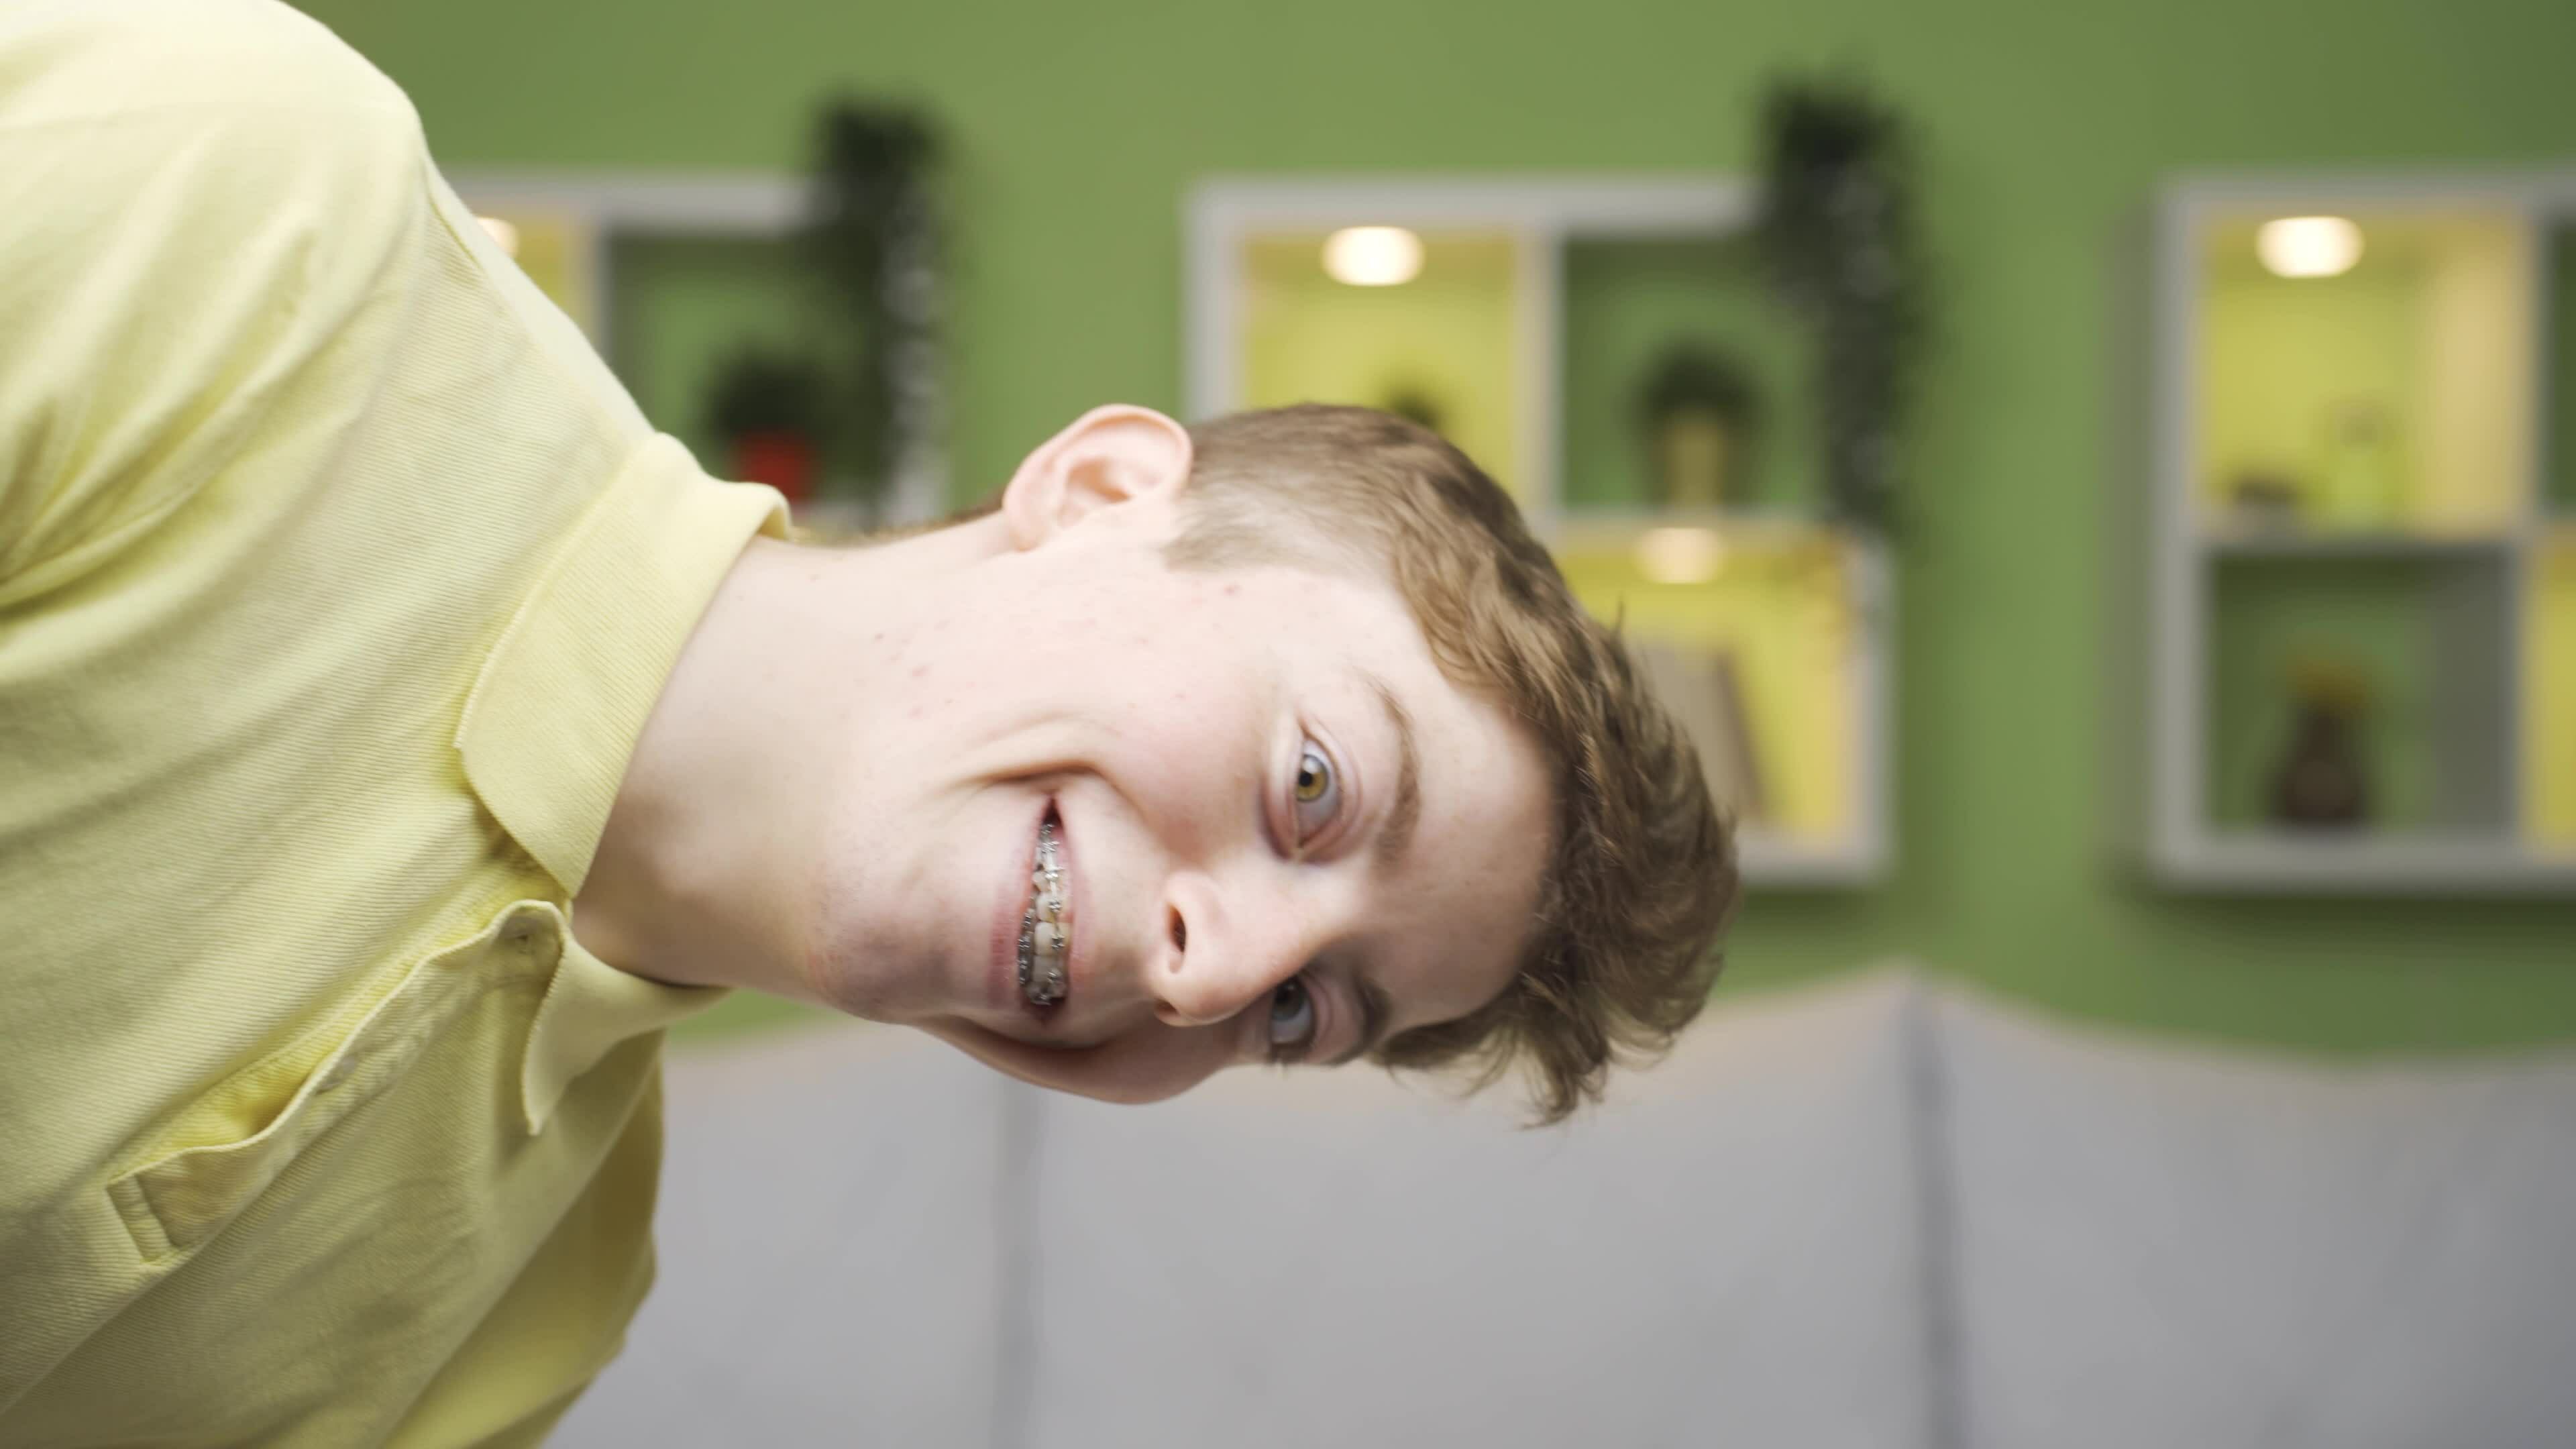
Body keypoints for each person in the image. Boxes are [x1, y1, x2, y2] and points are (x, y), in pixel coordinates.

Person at [0, 0, 1735, 1443]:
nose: (1210, 979)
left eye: (1302, 1013)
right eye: (1312, 785)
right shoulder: (246, 219)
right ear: (1106, 487)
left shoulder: (540, 1304)